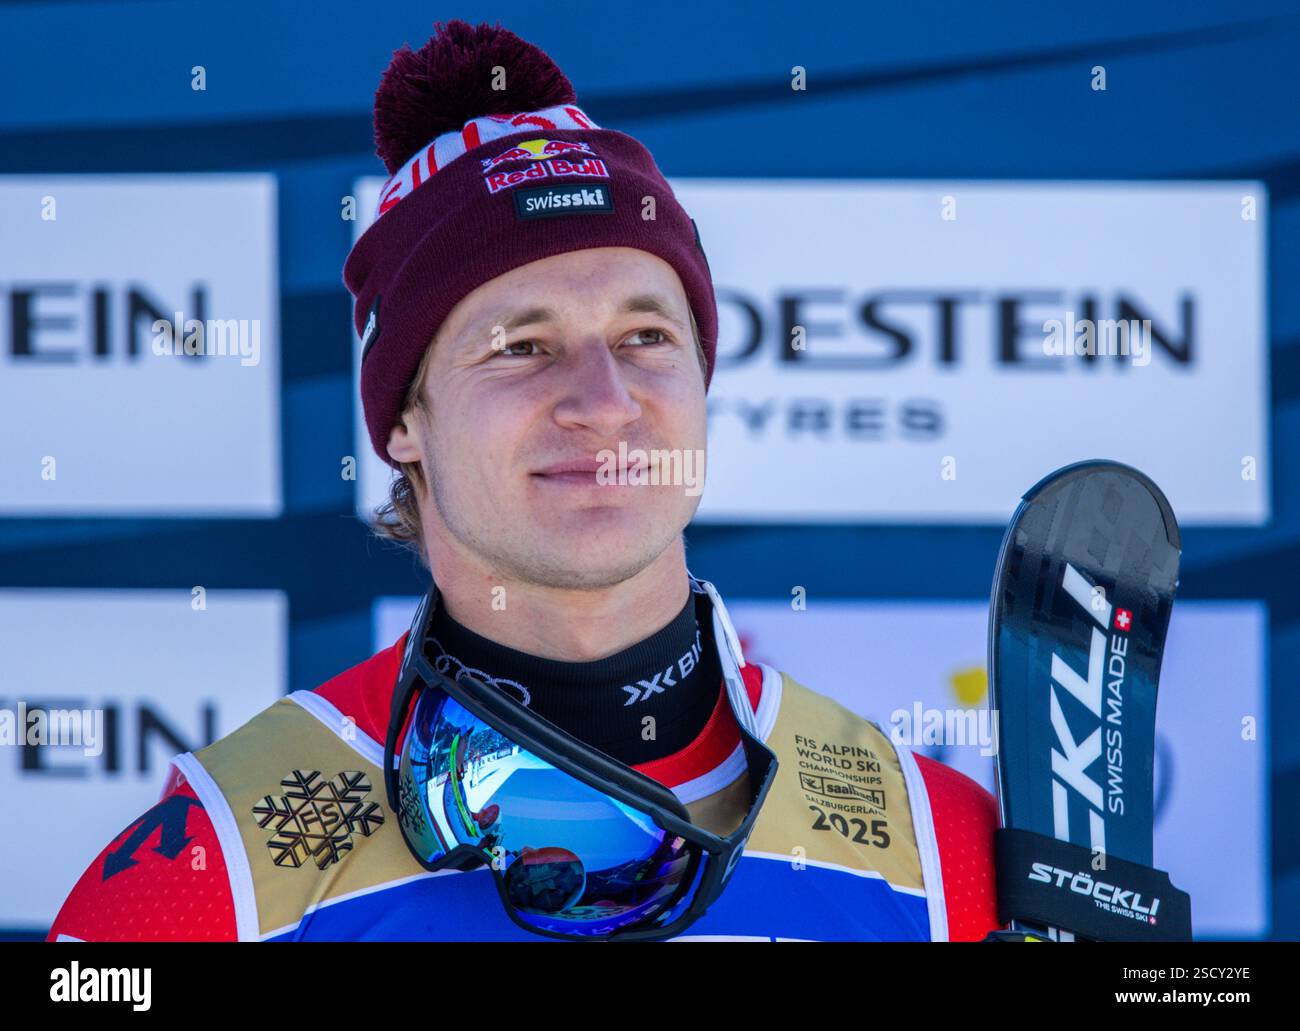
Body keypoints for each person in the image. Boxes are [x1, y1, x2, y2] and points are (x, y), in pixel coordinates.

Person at [47, 19, 1001, 942]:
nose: (604, 399)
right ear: (405, 422)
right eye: (522, 346)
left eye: (646, 337)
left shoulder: (943, 849)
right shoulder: (215, 876)